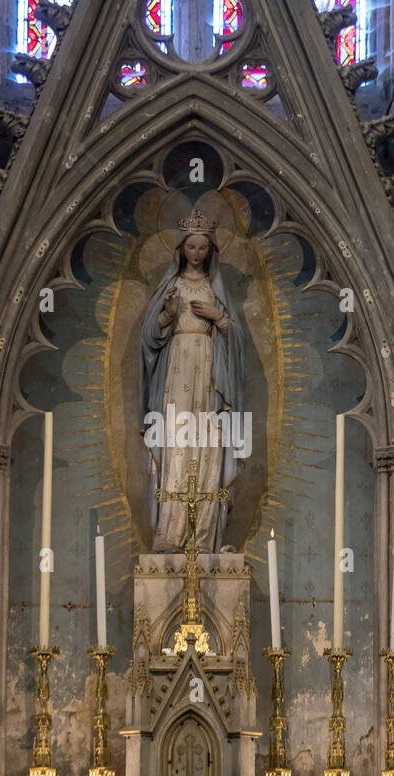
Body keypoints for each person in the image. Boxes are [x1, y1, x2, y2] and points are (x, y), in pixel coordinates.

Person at [139, 210, 247, 552]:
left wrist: (219, 318)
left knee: (207, 445)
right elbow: (148, 339)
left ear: (210, 250)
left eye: (203, 248)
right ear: (181, 249)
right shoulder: (170, 287)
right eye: (191, 247)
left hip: (210, 378)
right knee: (176, 445)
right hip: (176, 372)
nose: (197, 254)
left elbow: (237, 341)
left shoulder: (217, 291)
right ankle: (170, 535)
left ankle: (203, 538)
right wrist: (168, 316)